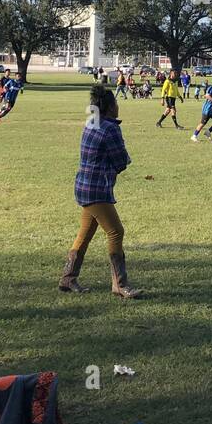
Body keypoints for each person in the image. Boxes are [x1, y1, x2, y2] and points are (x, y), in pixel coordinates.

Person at [59, 84, 141, 299]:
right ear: (110, 107)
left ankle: (68, 278)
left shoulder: (91, 122)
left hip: (84, 186)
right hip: (97, 189)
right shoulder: (110, 128)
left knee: (85, 233)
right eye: (116, 102)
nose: (118, 105)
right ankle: (120, 285)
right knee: (115, 232)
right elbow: (121, 161)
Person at [191, 77, 212, 142]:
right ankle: (194, 136)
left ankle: (208, 132)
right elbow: (207, 96)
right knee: (202, 123)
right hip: (208, 109)